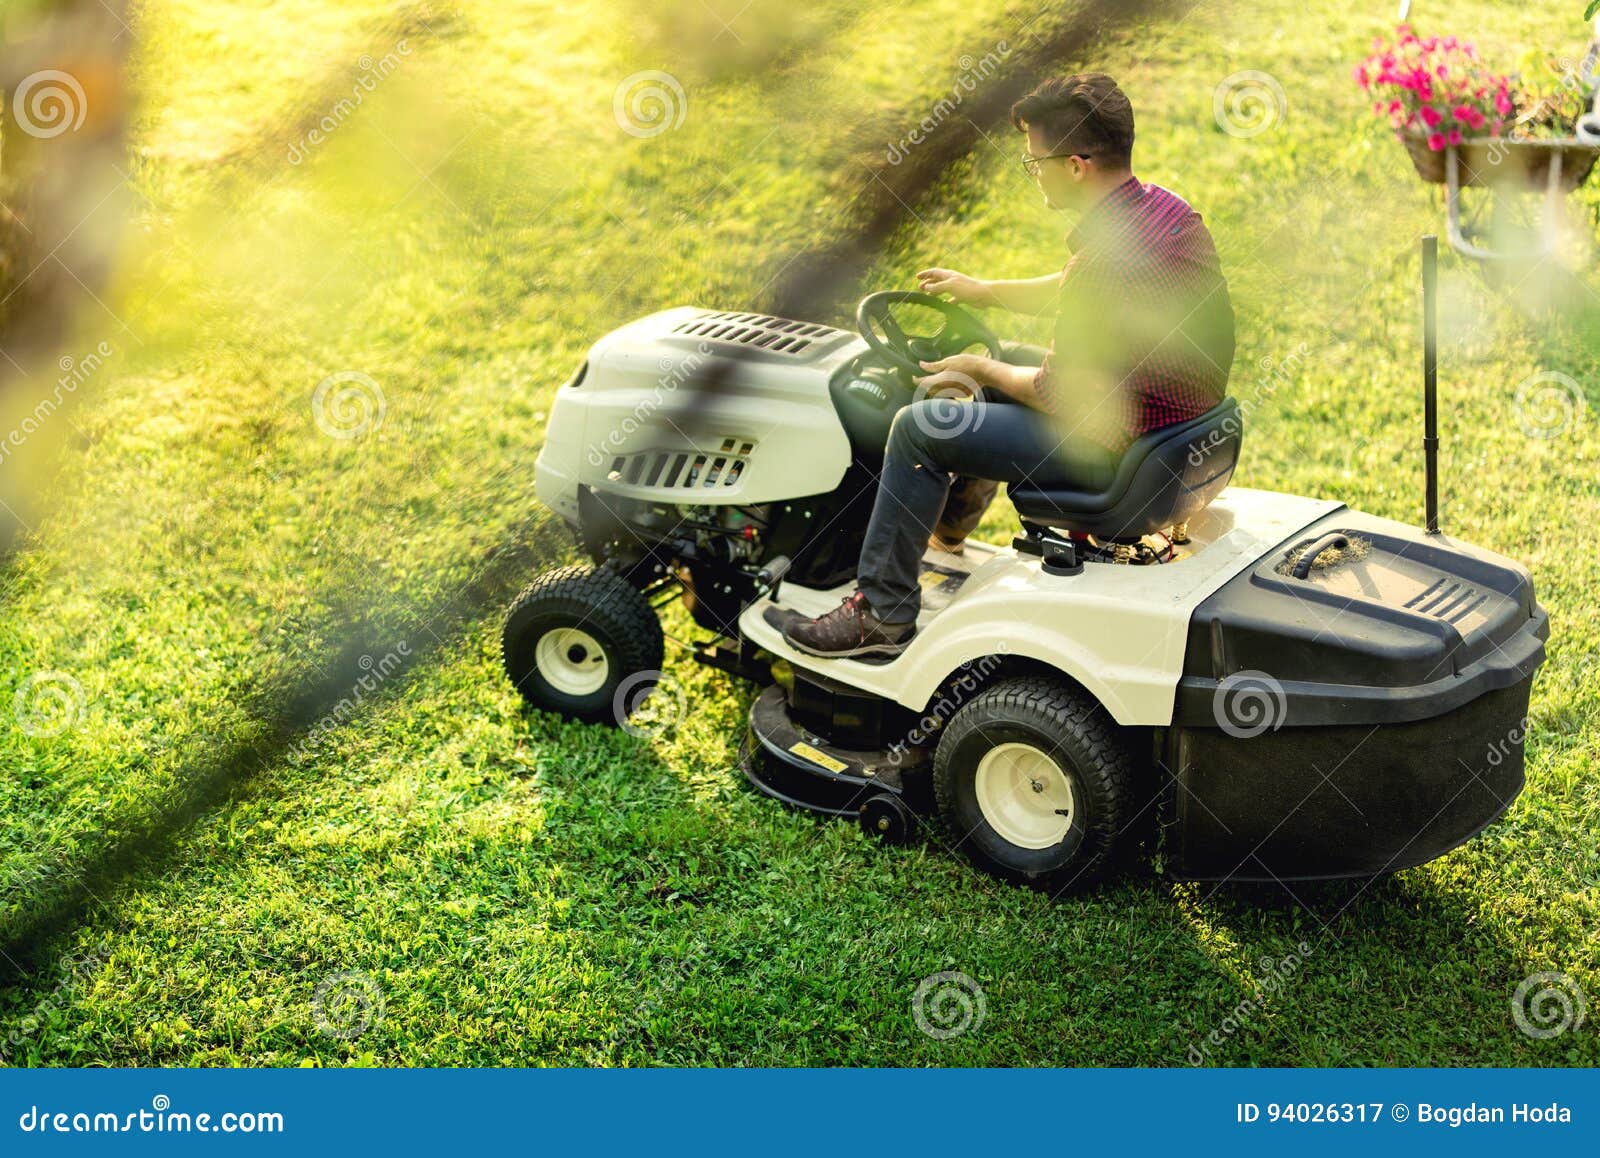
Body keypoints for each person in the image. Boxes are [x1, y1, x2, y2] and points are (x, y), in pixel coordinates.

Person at [781, 72, 1235, 658]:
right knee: (1004, 364)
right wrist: (985, 291)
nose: (1033, 172)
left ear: (1075, 165)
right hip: (1181, 434)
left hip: (1121, 450)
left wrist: (977, 366)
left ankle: (881, 614)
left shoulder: (1104, 262)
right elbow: (1079, 289)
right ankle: (948, 534)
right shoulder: (1163, 213)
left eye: (1034, 162)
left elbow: (1056, 393)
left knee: (920, 428)